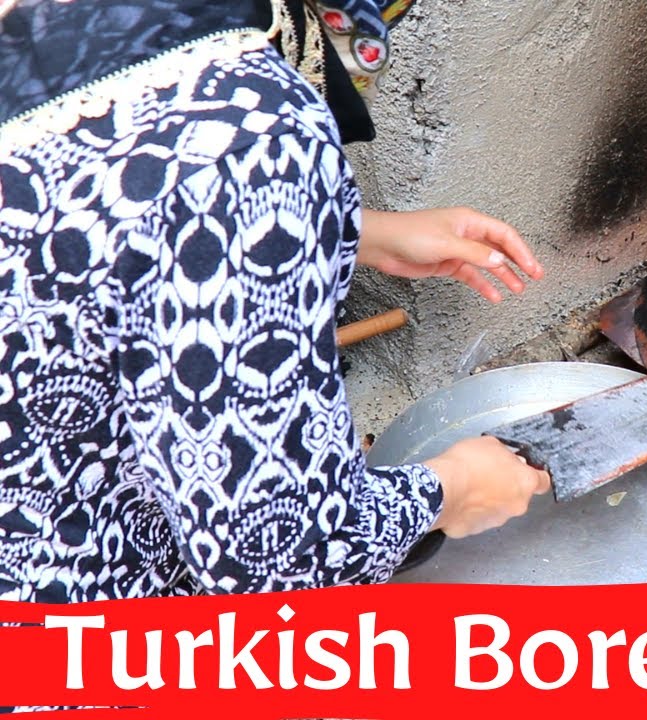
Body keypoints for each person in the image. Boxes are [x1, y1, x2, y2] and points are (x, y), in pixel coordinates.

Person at [0, 0, 550, 602]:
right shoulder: (246, 135)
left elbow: (76, 226)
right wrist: (457, 487)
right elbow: (275, 553)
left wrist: (343, 226)